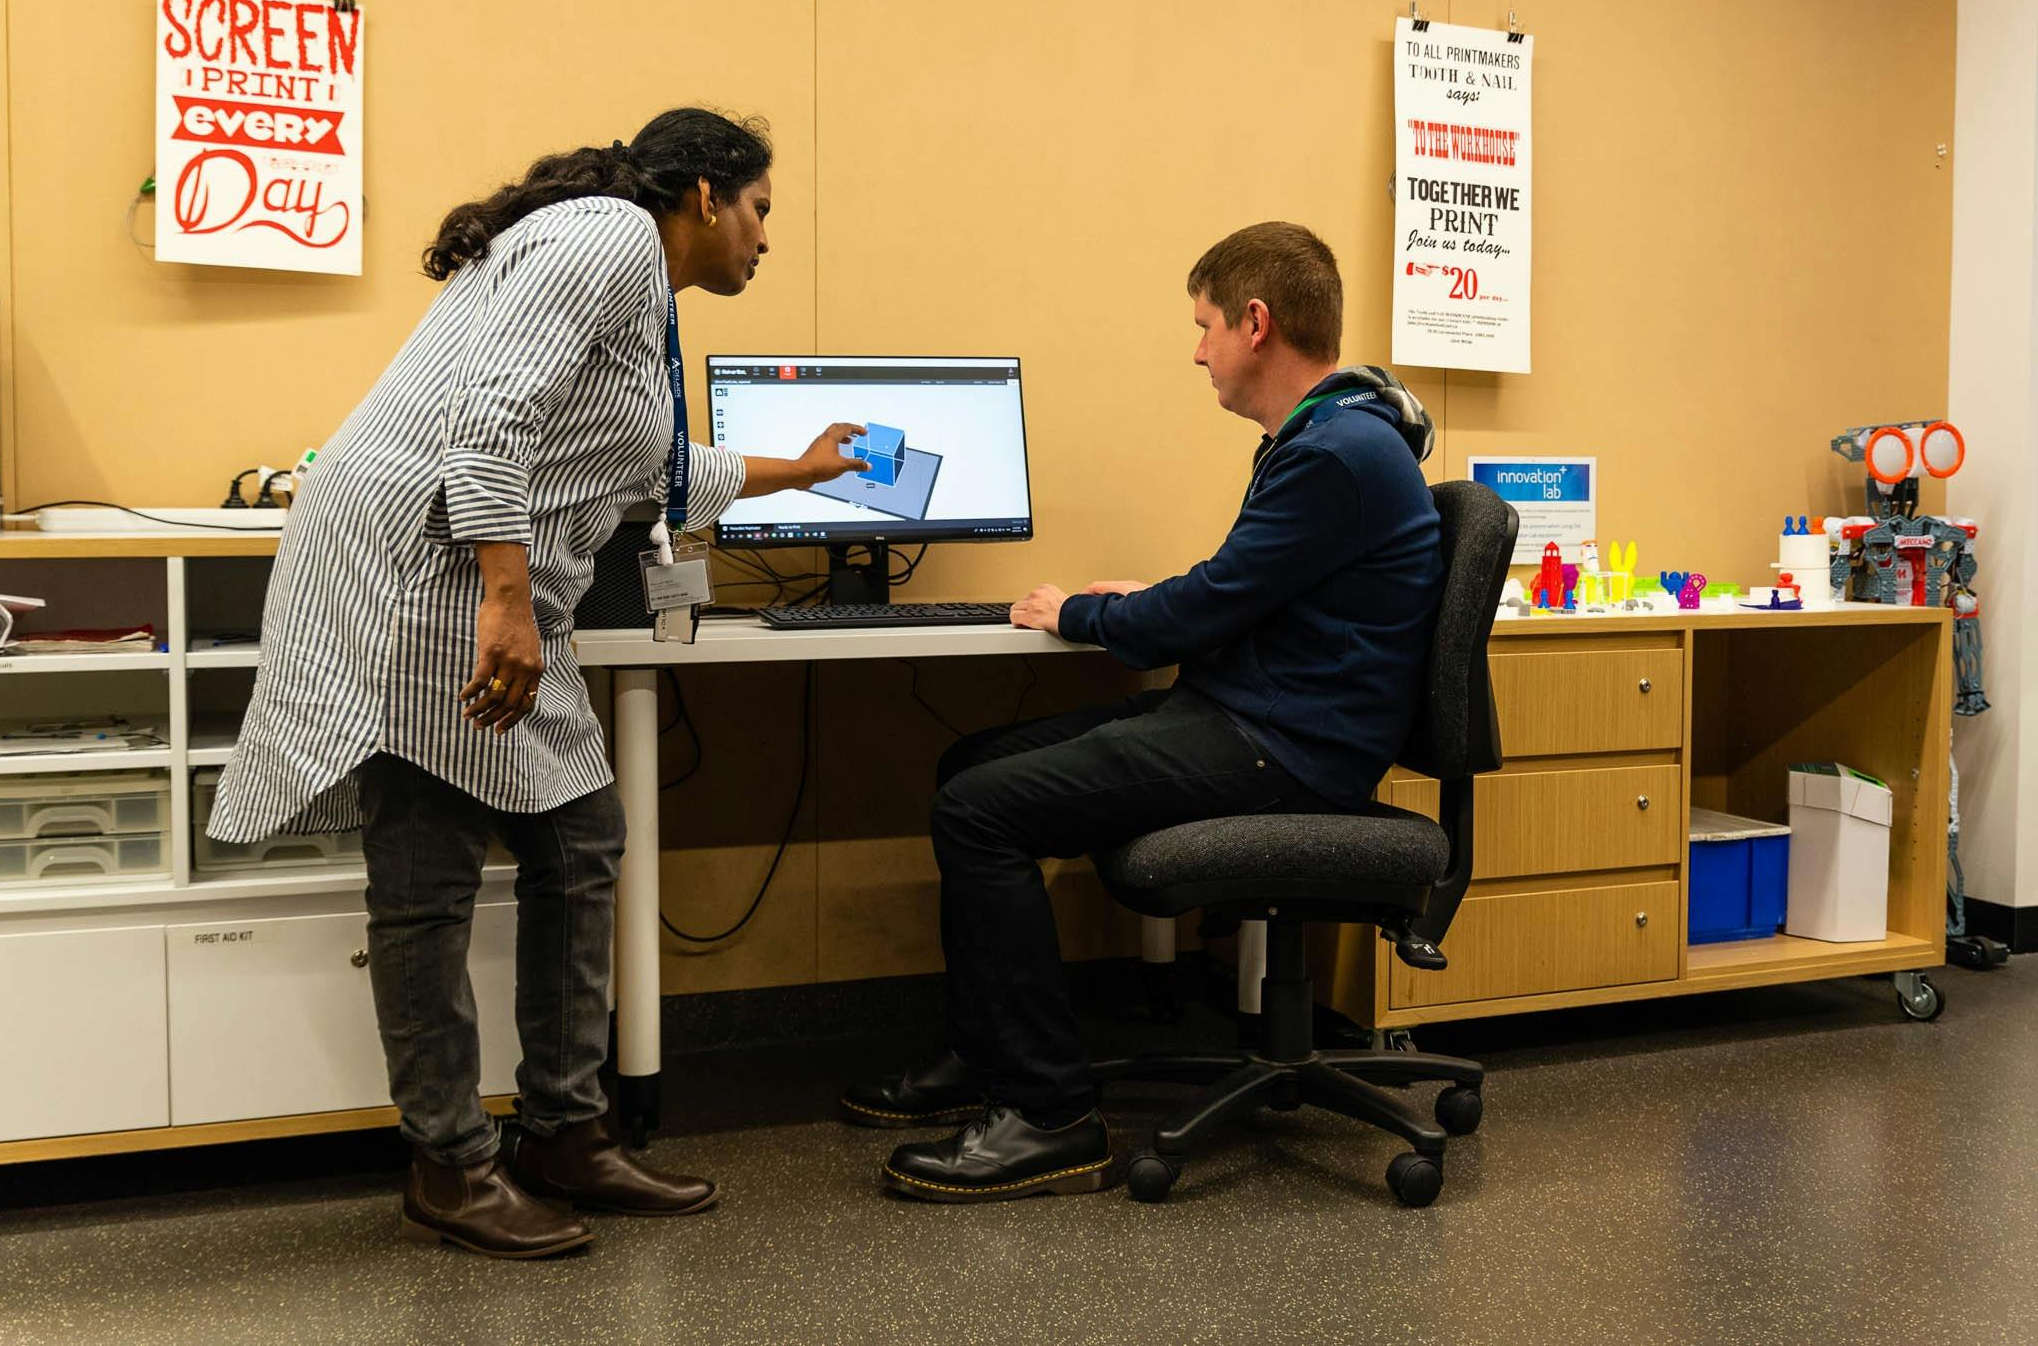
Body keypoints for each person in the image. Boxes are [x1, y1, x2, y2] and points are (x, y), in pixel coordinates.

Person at [208, 108, 870, 1258]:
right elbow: (490, 419)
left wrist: (801, 468)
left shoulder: (630, 284)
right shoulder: (611, 234)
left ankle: (564, 1129)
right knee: (429, 869)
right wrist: (507, 599)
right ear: (706, 195)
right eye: (762, 208)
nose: (768, 237)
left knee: (581, 839)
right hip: (421, 573)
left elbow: (647, 464)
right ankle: (449, 1164)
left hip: (474, 565)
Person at [841, 222, 1444, 1202]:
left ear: (1257, 322)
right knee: (970, 766)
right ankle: (988, 1051)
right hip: (1264, 717)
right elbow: (1250, 592)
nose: (1197, 349)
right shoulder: (1332, 437)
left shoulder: (1333, 451)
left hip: (1281, 748)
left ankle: (1049, 1116)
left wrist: (1085, 612)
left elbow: (1206, 609)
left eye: (1206, 325)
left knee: (980, 809)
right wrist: (1148, 600)